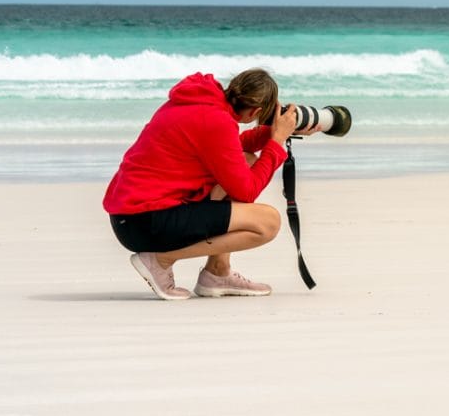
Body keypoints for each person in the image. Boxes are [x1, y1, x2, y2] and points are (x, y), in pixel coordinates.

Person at [104, 68, 304, 300]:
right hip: (145, 222)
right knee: (268, 222)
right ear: (256, 112)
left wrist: (277, 132)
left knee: (246, 160)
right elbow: (247, 191)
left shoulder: (201, 102)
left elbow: (228, 147)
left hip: (130, 216)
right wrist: (276, 142)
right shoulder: (217, 121)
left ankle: (217, 272)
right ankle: (160, 260)